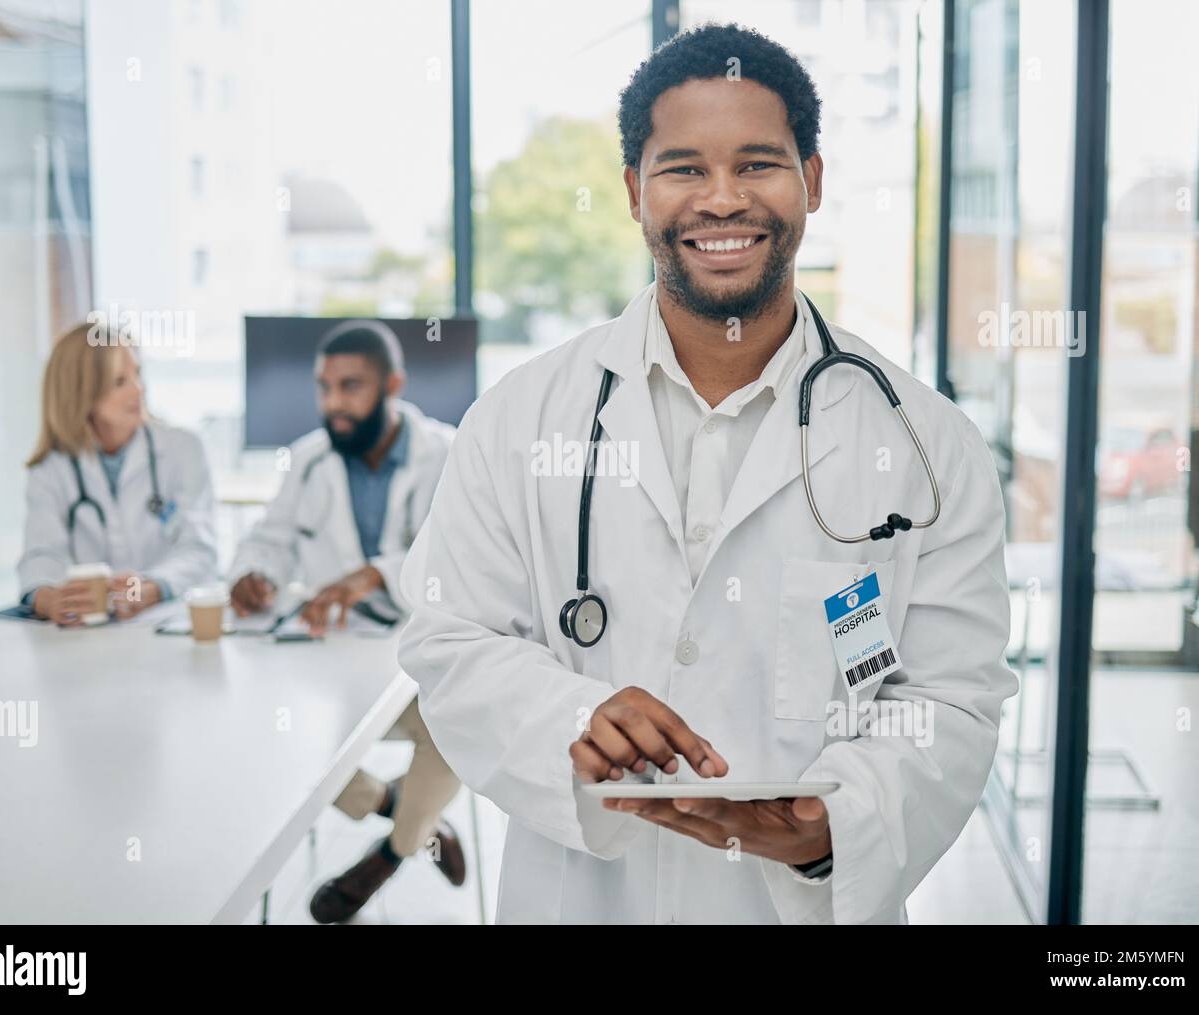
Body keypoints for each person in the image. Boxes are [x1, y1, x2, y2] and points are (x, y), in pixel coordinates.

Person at [397, 23, 1018, 924]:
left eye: (757, 164)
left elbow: (951, 694)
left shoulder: (924, 442)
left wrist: (838, 821)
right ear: (633, 191)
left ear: (812, 179)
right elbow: (448, 639)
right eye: (684, 167)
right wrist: (575, 719)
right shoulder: (521, 419)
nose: (721, 199)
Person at [226, 320, 464, 923]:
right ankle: (411, 813)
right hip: (341, 654)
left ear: (393, 384)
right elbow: (269, 539)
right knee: (278, 737)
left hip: (421, 646)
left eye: (350, 387)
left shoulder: (449, 452)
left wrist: (373, 575)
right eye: (324, 387)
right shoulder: (309, 460)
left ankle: (388, 855)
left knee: (458, 726)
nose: (333, 403)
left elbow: (459, 553)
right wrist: (252, 573)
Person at [18, 323, 217, 624]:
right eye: (119, 381)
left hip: (166, 624)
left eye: (138, 374)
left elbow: (199, 549)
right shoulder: (51, 468)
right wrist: (48, 599)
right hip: (87, 633)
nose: (139, 389)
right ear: (81, 392)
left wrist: (152, 586)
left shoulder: (183, 449)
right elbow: (41, 554)